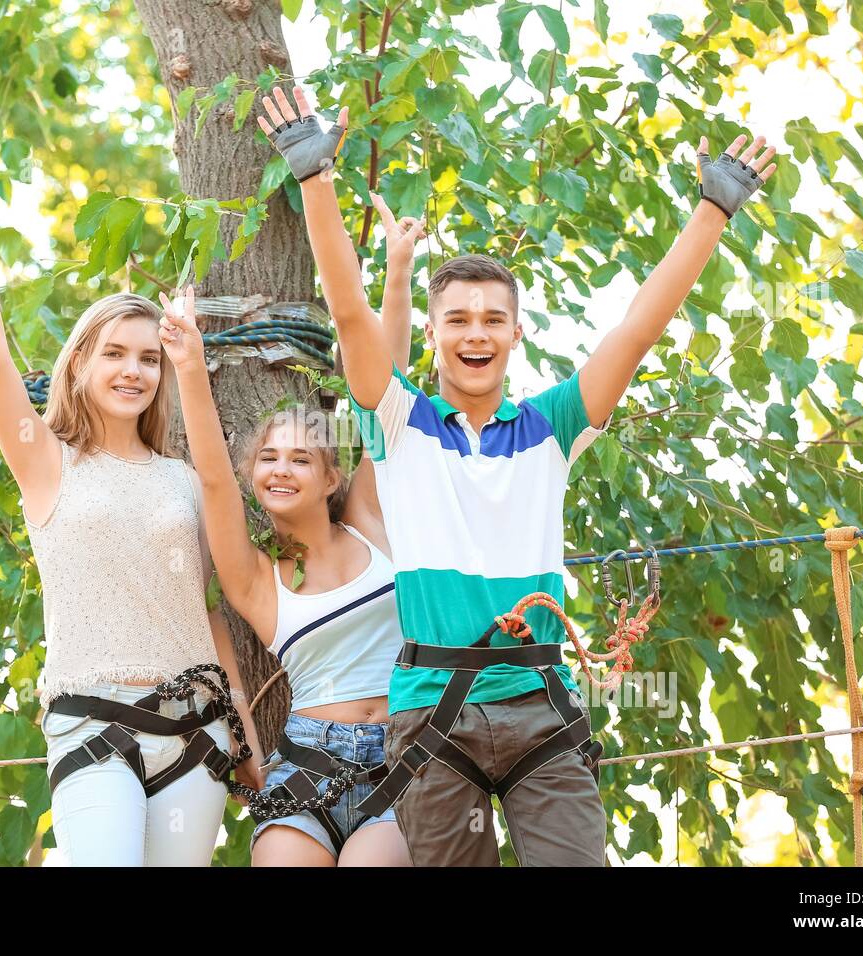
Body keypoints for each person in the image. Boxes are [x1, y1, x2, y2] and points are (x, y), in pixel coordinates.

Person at [259, 84, 777, 866]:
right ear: (432, 335)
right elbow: (352, 313)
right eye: (458, 320)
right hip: (433, 713)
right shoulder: (400, 423)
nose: (476, 334)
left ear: (516, 334)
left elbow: (638, 329)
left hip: (538, 706)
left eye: (492, 319)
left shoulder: (551, 427)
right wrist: (315, 181)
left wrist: (712, 212)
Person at [0, 139, 261, 866]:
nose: (132, 370)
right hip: (90, 724)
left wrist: (248, 735)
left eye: (147, 357)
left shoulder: (183, 480)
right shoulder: (47, 464)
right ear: (79, 361)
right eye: (114, 352)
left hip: (195, 731)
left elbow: (205, 612)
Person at [155, 192, 420, 866]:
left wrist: (397, 274)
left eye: (301, 457)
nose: (281, 469)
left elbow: (382, 401)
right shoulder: (255, 581)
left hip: (399, 760)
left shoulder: (369, 523)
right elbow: (213, 477)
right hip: (303, 761)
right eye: (268, 458)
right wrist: (189, 365)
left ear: (332, 477)